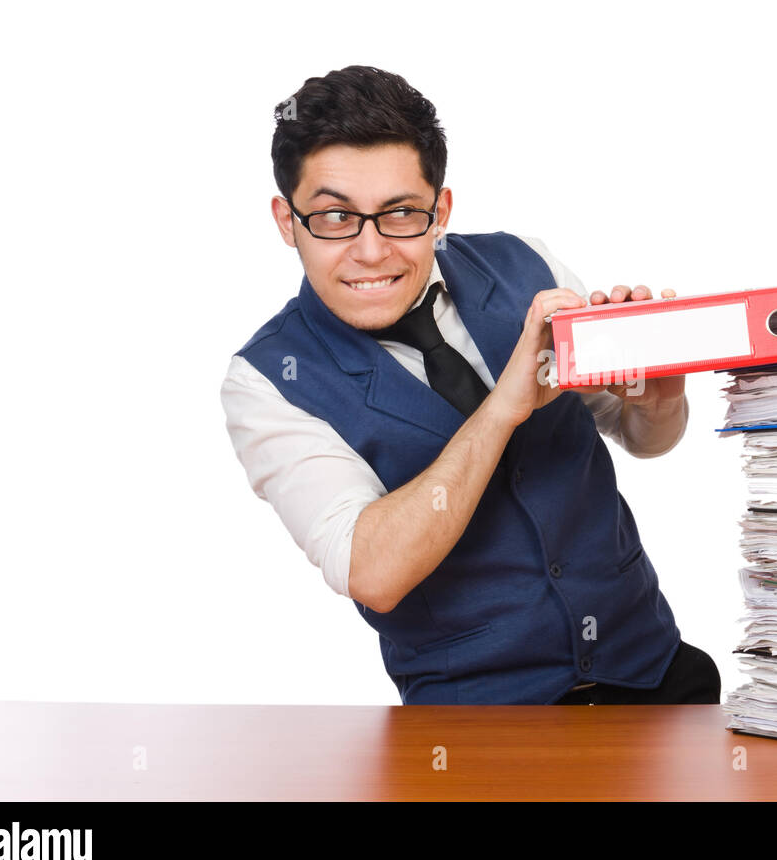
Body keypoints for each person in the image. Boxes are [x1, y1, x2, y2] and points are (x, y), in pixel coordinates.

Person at [221, 65, 720, 705]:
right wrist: (503, 408)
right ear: (287, 222)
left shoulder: (527, 265)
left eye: (401, 213)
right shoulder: (266, 382)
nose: (371, 251)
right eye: (335, 217)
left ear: (441, 211)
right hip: (479, 728)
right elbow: (372, 571)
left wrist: (660, 402)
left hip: (653, 668)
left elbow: (644, 438)